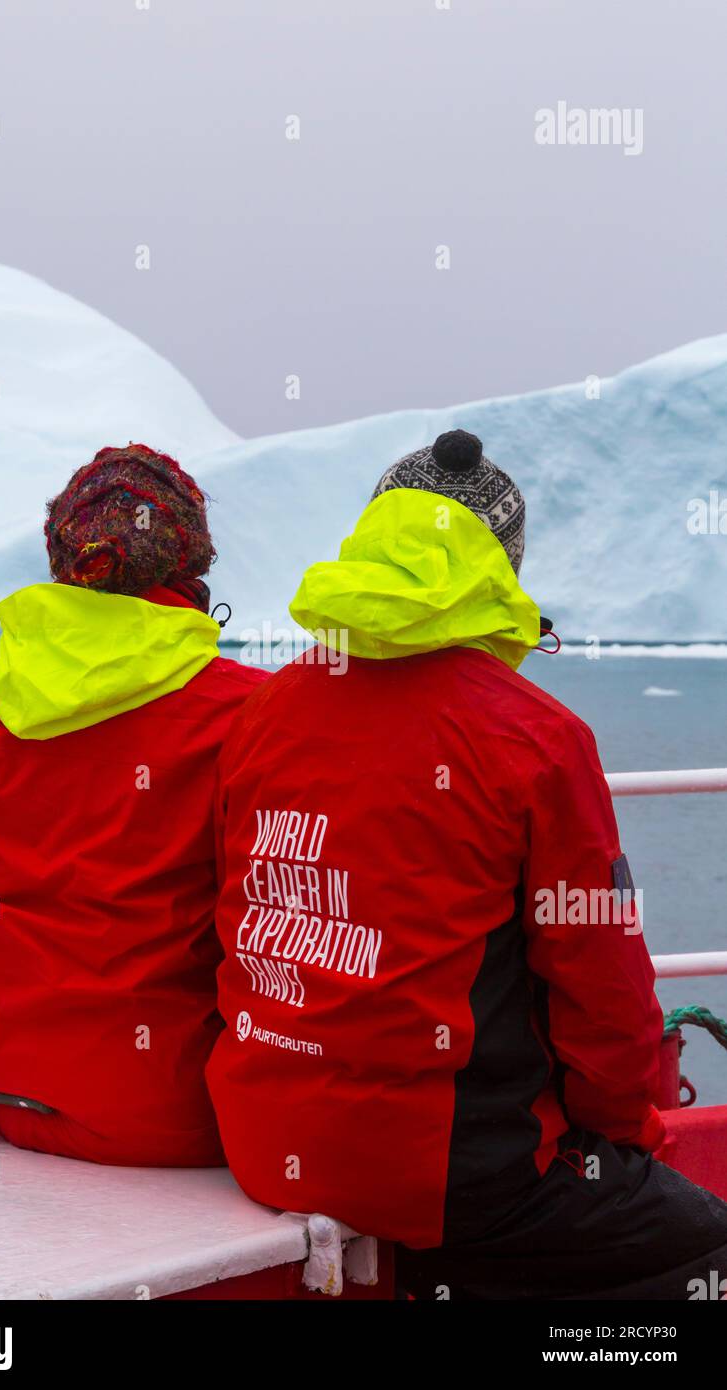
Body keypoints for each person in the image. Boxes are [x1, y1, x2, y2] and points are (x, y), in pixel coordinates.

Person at [206, 429, 727, 1298]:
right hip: (451, 1175)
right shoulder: (536, 737)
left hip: (260, 1141)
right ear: (501, 570)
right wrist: (630, 1132)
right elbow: (602, 993)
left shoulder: (264, 714)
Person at [0, 443, 264, 1166]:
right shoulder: (247, 713)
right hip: (184, 1122)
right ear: (190, 567)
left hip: (8, 1105)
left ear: (62, 558)